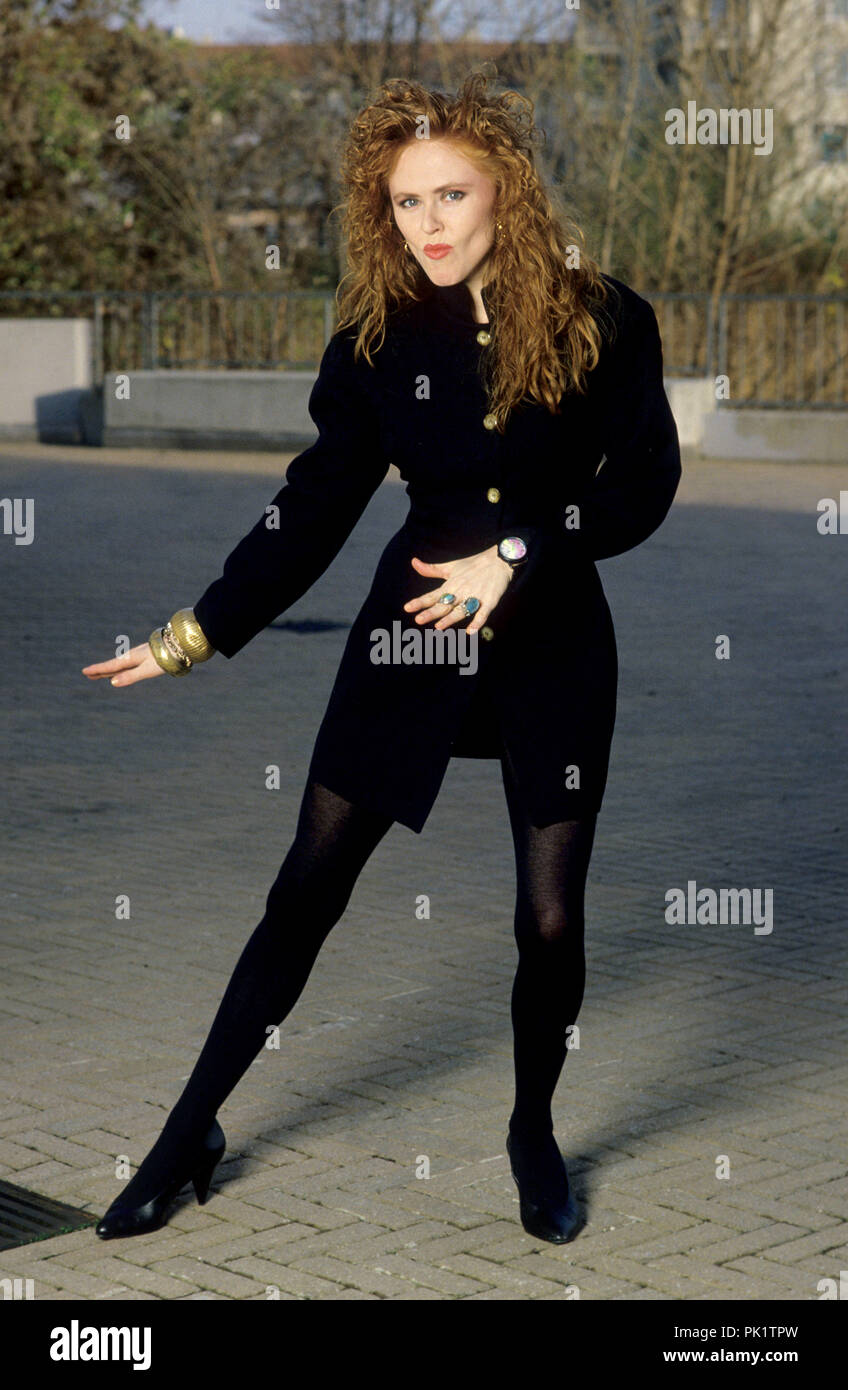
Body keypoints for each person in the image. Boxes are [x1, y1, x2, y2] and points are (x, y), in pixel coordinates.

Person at [82, 70, 681, 1246]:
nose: (431, 224)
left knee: (549, 921)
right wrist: (194, 634)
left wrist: (518, 547)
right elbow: (311, 507)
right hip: (408, 636)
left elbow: (642, 487)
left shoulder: (601, 314)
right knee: (304, 890)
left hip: (552, 637)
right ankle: (185, 1129)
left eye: (452, 194)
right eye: (406, 203)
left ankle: (530, 1129)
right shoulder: (374, 339)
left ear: (504, 185)